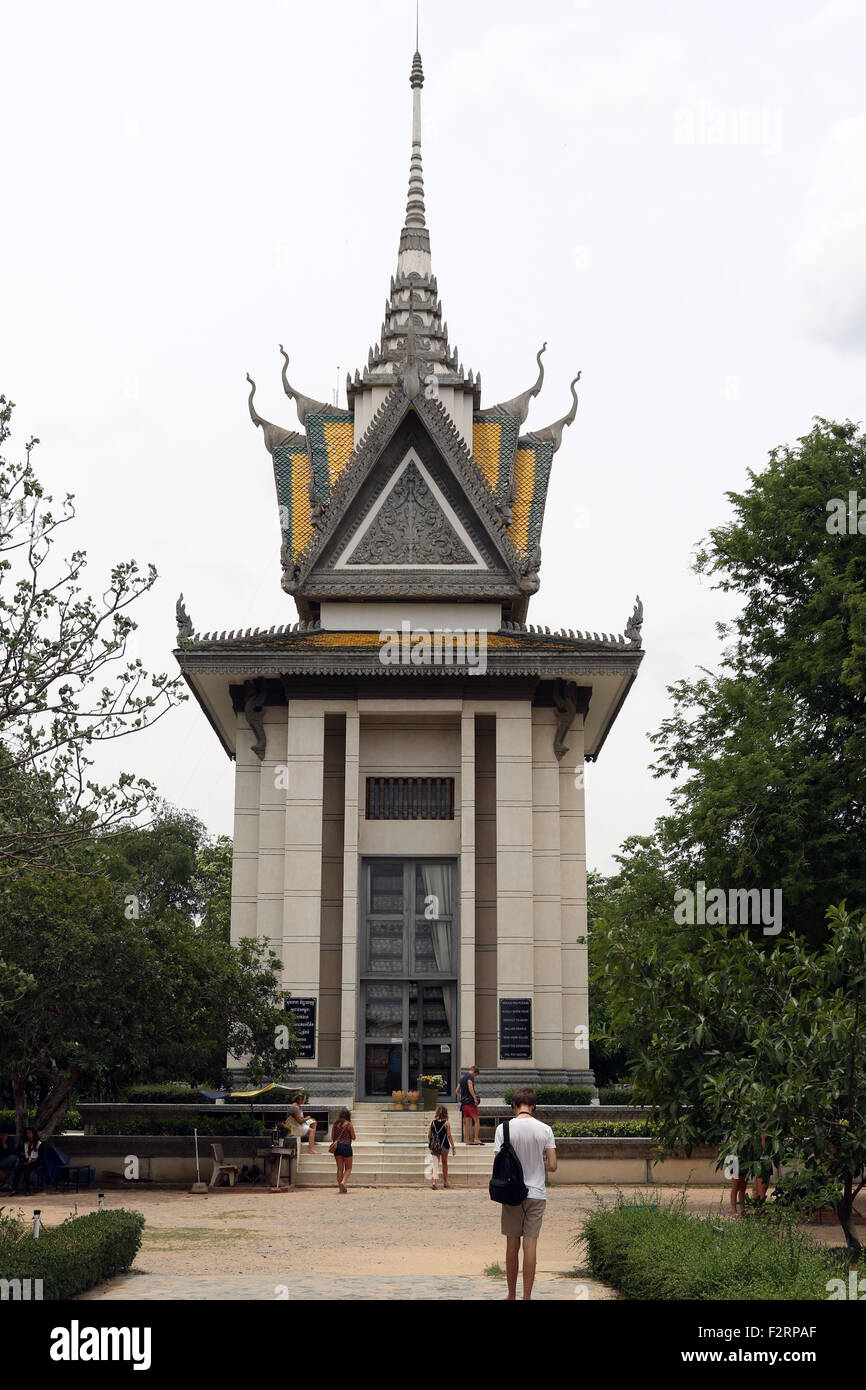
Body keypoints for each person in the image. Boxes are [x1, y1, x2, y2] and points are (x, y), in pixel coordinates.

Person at [493, 1088, 557, 1301]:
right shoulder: (545, 1129)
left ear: (514, 1106)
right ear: (534, 1106)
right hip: (537, 1193)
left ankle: (511, 1295)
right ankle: (527, 1296)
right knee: (531, 1245)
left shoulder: (504, 1129)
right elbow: (554, 1165)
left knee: (512, 1244)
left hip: (512, 1193)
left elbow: (498, 1162)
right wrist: (538, 1165)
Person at [428, 1105, 456, 1190]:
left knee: (435, 1164)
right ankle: (445, 1182)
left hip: (435, 1146)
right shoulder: (446, 1123)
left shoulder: (433, 1122)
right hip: (444, 1145)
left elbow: (429, 1135)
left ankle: (434, 1182)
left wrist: (431, 1144)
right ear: (445, 1113)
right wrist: (453, 1147)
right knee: (444, 1163)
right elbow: (449, 1135)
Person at [330, 1108, 355, 1194]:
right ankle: (343, 1182)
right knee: (348, 1168)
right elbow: (354, 1137)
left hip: (337, 1147)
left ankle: (340, 1188)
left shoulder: (335, 1124)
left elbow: (332, 1137)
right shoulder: (349, 1124)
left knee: (339, 1168)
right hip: (346, 1146)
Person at [11, 1127, 41, 1194]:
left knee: (27, 1172)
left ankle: (27, 1190)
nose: (28, 1134)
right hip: (27, 1161)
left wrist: (33, 1160)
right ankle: (14, 1189)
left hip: (36, 1162)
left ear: (33, 1133)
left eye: (29, 1133)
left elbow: (41, 1157)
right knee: (17, 1169)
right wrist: (21, 1154)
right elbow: (16, 1152)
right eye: (27, 1133)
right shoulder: (25, 1143)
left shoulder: (39, 1144)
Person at [457, 1065, 481, 1146]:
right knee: (477, 1120)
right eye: (476, 1075)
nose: (475, 1076)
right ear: (474, 1071)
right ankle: (476, 1138)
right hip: (470, 1103)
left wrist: (463, 1095)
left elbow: (457, 1090)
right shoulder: (470, 1076)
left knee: (467, 1123)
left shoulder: (462, 1078)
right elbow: (470, 1086)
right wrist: (474, 1098)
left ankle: (467, 1140)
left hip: (464, 1104)